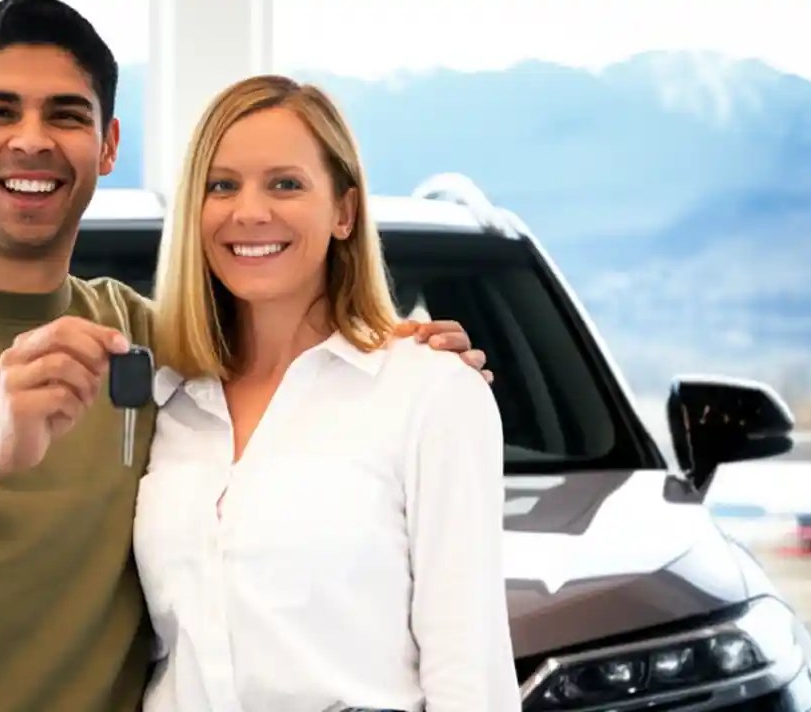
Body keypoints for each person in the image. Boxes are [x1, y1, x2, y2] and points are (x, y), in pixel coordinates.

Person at [0, 0, 492, 710]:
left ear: (107, 147)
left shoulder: (150, 345)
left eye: (66, 115)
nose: (33, 139)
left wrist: (403, 355)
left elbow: (290, 349)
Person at [135, 74, 521, 711]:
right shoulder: (163, 401)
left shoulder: (429, 393)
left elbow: (470, 674)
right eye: (221, 184)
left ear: (343, 211)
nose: (249, 211)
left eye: (285, 184)